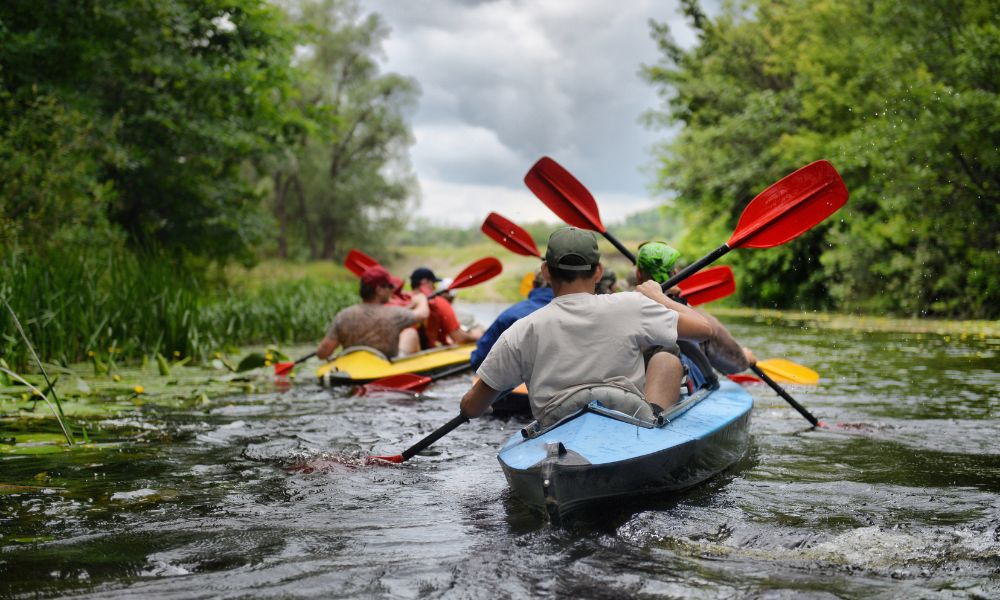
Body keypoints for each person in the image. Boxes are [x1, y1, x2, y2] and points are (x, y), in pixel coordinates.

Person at [460, 227, 713, 427]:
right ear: (599, 272)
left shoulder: (522, 329)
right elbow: (704, 329)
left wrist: (469, 403)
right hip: (628, 417)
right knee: (667, 354)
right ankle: (657, 419)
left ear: (546, 271)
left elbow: (472, 408)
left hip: (556, 425)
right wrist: (660, 297)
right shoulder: (631, 305)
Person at [635, 242, 756, 382]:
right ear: (675, 274)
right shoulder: (697, 321)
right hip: (676, 385)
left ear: (638, 274)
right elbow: (735, 365)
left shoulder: (617, 305)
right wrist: (745, 358)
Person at [316, 266, 429, 360]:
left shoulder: (343, 316)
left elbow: (323, 354)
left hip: (351, 373)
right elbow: (423, 314)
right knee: (410, 333)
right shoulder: (395, 314)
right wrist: (421, 298)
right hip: (385, 370)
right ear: (379, 289)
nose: (391, 291)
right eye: (389, 287)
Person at [469, 268, 554, 370]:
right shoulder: (575, 313)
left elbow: (479, 360)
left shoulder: (510, 315)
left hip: (517, 382)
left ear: (533, 285)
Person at [402, 267, 483, 353]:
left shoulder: (403, 300)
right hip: (427, 355)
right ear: (425, 282)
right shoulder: (439, 302)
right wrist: (477, 336)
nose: (434, 287)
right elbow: (460, 338)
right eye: (433, 283)